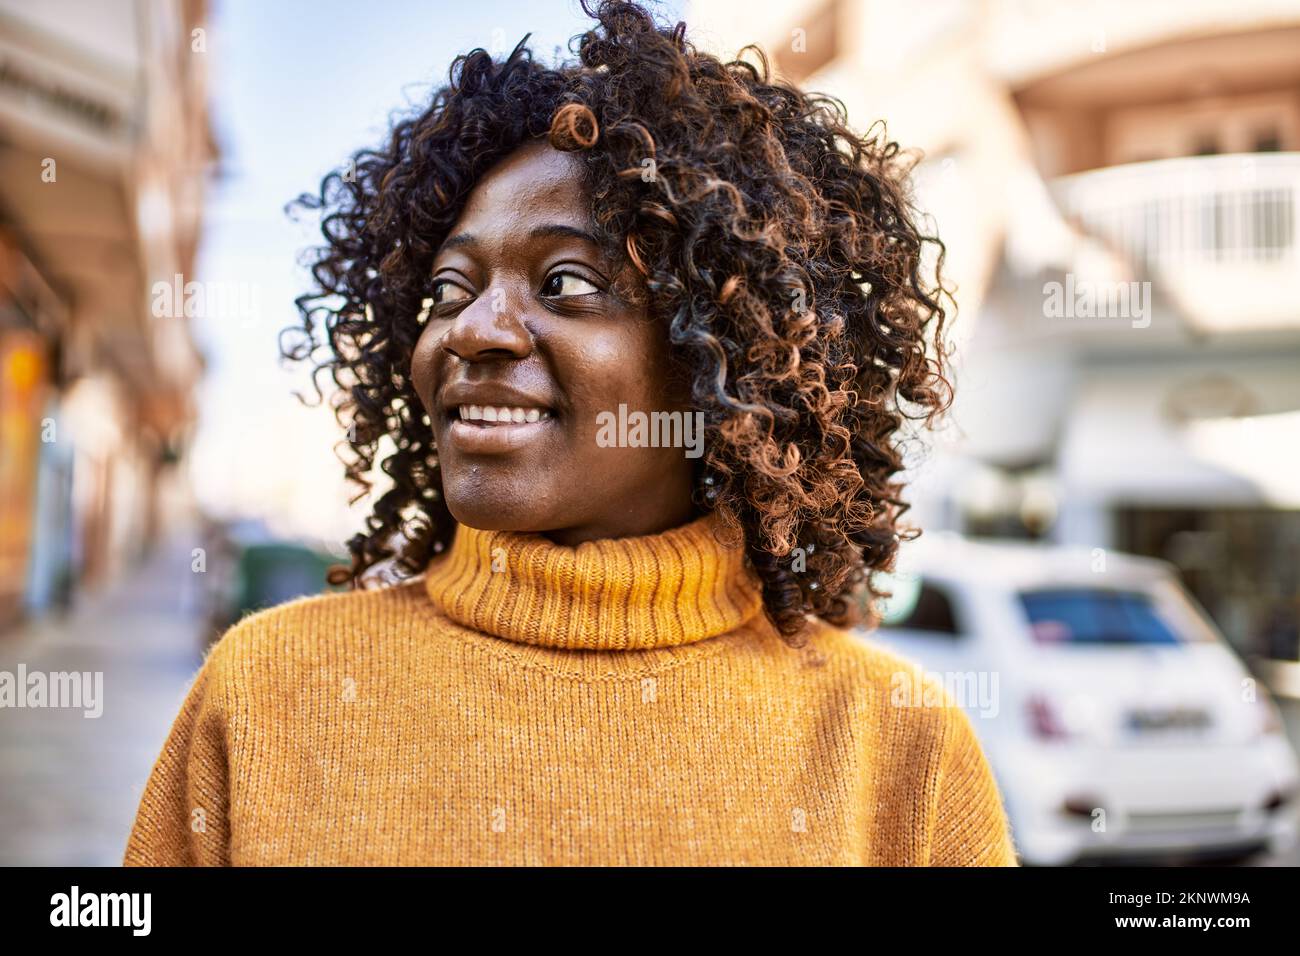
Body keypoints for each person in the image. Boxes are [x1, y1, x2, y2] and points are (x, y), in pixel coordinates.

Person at [124, 0, 1016, 866]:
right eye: (448, 288)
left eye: (563, 284)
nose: (474, 328)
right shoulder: (269, 692)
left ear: (724, 357)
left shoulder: (898, 750)